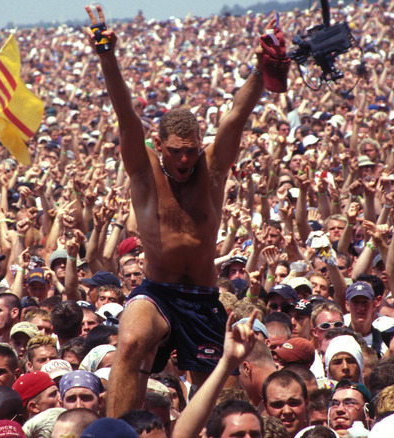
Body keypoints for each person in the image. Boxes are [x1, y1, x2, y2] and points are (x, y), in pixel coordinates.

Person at [86, 4, 268, 416]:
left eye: (190, 152)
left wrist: (261, 68)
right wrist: (107, 56)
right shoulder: (146, 171)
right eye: (175, 153)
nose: (184, 161)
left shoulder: (213, 168)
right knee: (130, 343)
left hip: (203, 297)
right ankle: (117, 430)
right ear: (159, 145)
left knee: (216, 394)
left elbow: (237, 117)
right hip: (157, 291)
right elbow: (126, 116)